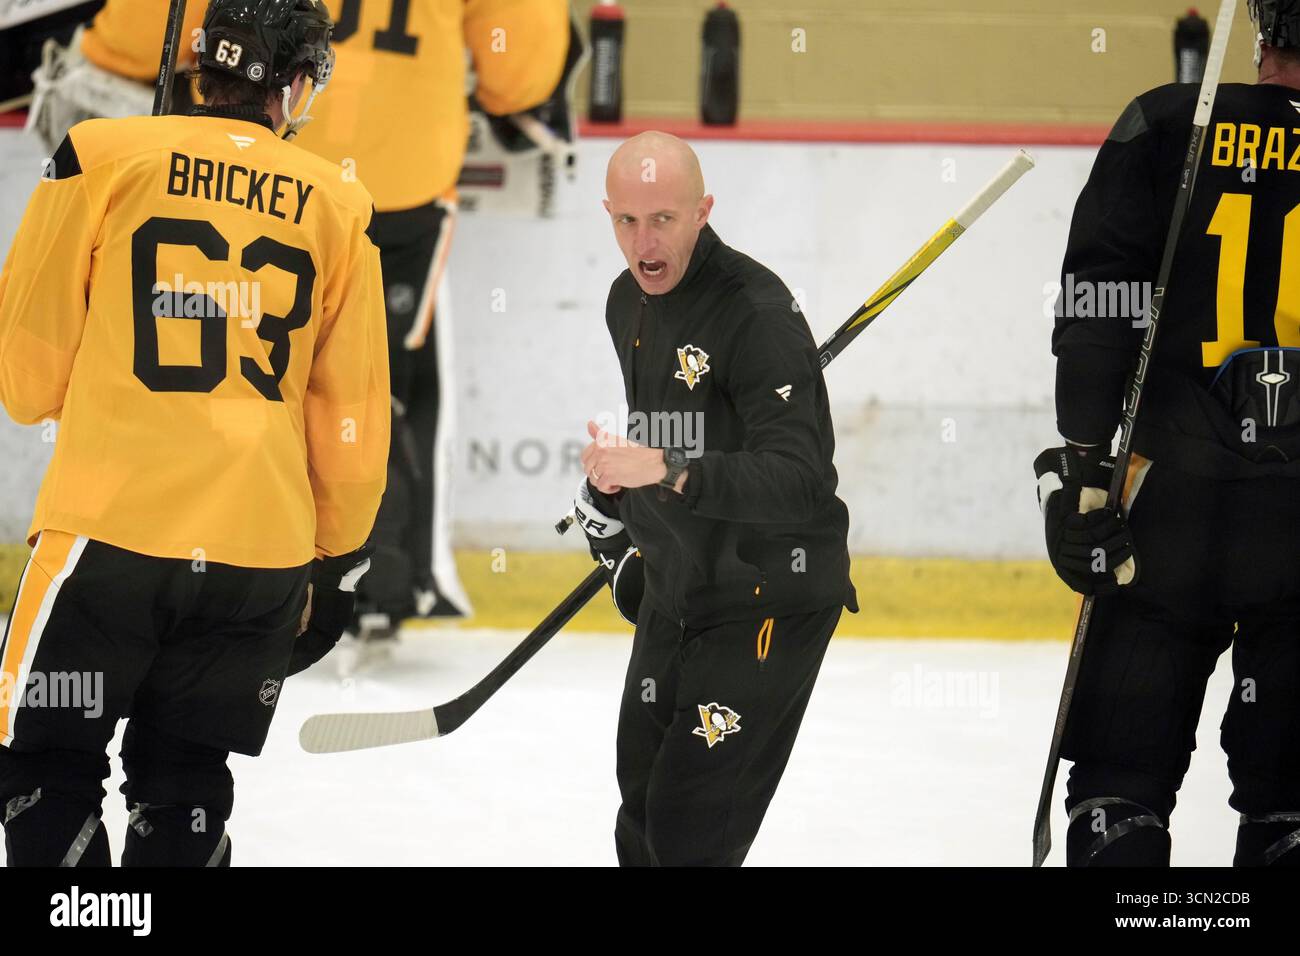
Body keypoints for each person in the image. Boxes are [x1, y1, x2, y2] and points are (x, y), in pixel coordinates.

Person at [0, 0, 388, 866]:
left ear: (196, 62)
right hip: (259, 561)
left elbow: (25, 385)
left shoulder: (100, 157)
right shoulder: (340, 203)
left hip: (109, 539)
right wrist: (339, 561)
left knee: (43, 767)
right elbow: (351, 419)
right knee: (184, 778)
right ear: (292, 88)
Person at [1036, 0, 1300, 867]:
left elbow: (1096, 310)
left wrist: (1079, 473)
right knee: (1292, 807)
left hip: (1166, 513)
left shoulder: (1164, 123)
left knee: (1120, 789)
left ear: (1264, 36)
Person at [573, 131, 858, 867]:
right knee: (638, 814)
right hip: (683, 589)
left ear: (703, 211)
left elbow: (799, 480)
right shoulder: (624, 303)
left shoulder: (757, 318)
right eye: (626, 221)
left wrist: (662, 468)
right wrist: (612, 500)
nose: (644, 242)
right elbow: (667, 439)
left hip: (768, 598)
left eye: (664, 218)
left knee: (686, 832)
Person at [291, 0, 577, 656]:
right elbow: (519, 77)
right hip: (401, 189)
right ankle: (381, 586)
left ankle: (244, 570)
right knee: (380, 388)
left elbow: (170, 41)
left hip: (281, 171)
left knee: (261, 369)